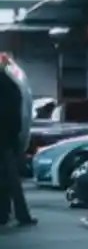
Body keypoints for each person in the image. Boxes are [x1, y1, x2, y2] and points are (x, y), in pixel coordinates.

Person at [0, 57, 35, 226]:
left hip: (5, 139)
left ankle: (5, 214)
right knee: (11, 180)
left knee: (8, 179)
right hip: (7, 140)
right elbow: (19, 116)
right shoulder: (11, 85)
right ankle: (16, 214)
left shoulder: (7, 86)